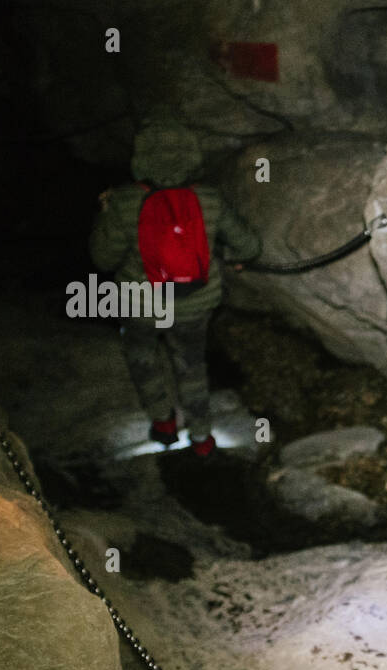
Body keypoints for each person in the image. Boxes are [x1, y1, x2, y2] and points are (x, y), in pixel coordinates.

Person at [90, 119, 261, 457]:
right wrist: (230, 255)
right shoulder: (209, 199)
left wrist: (105, 213)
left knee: (143, 358)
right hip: (196, 304)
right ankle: (201, 438)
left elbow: (103, 259)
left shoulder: (125, 203)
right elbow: (250, 246)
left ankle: (163, 424)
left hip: (141, 304)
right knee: (191, 366)